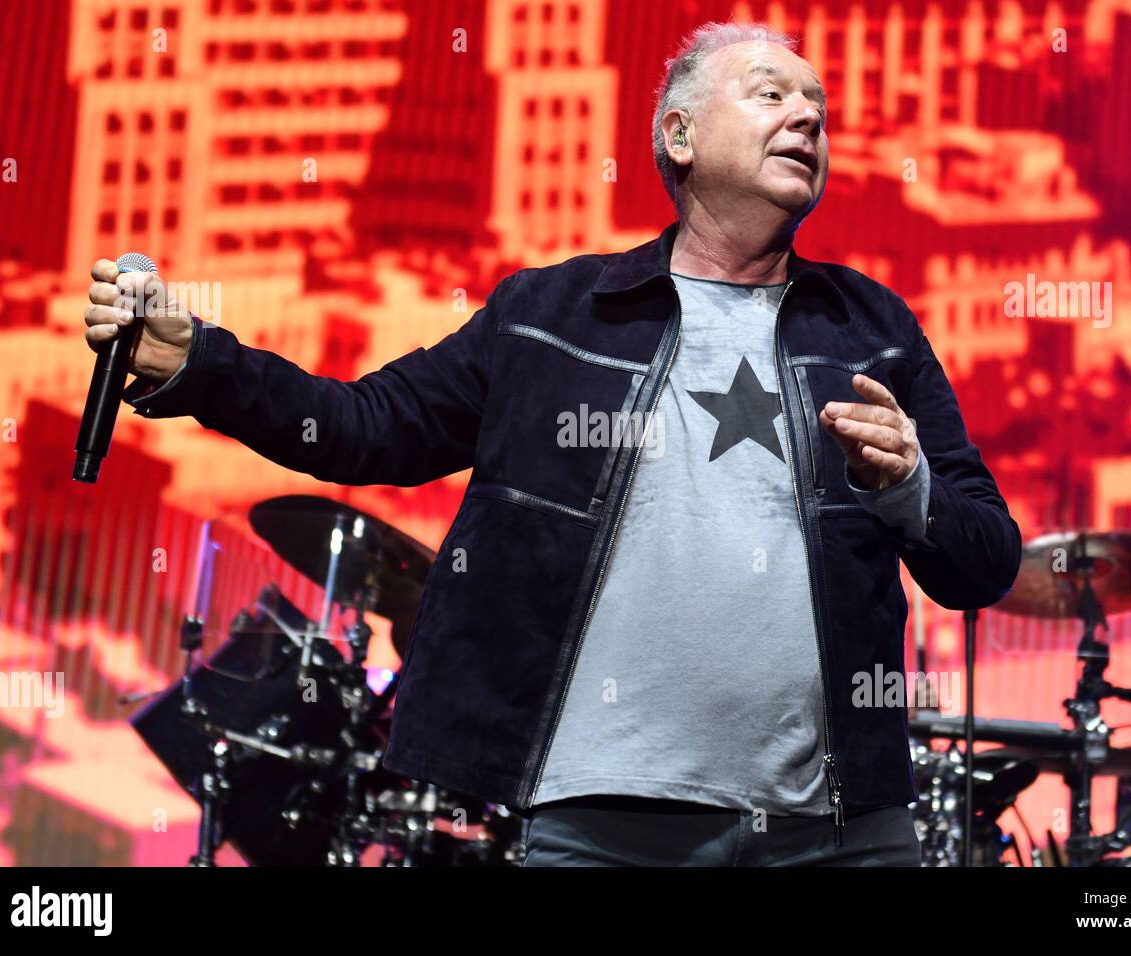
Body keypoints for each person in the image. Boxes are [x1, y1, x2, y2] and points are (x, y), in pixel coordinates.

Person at [83, 20, 1021, 866]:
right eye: (772, 94)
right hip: (599, 825)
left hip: (839, 834)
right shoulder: (548, 317)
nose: (808, 119)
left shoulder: (874, 328)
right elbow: (363, 428)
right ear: (680, 137)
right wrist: (200, 363)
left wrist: (913, 494)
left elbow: (987, 561)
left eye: (818, 106)